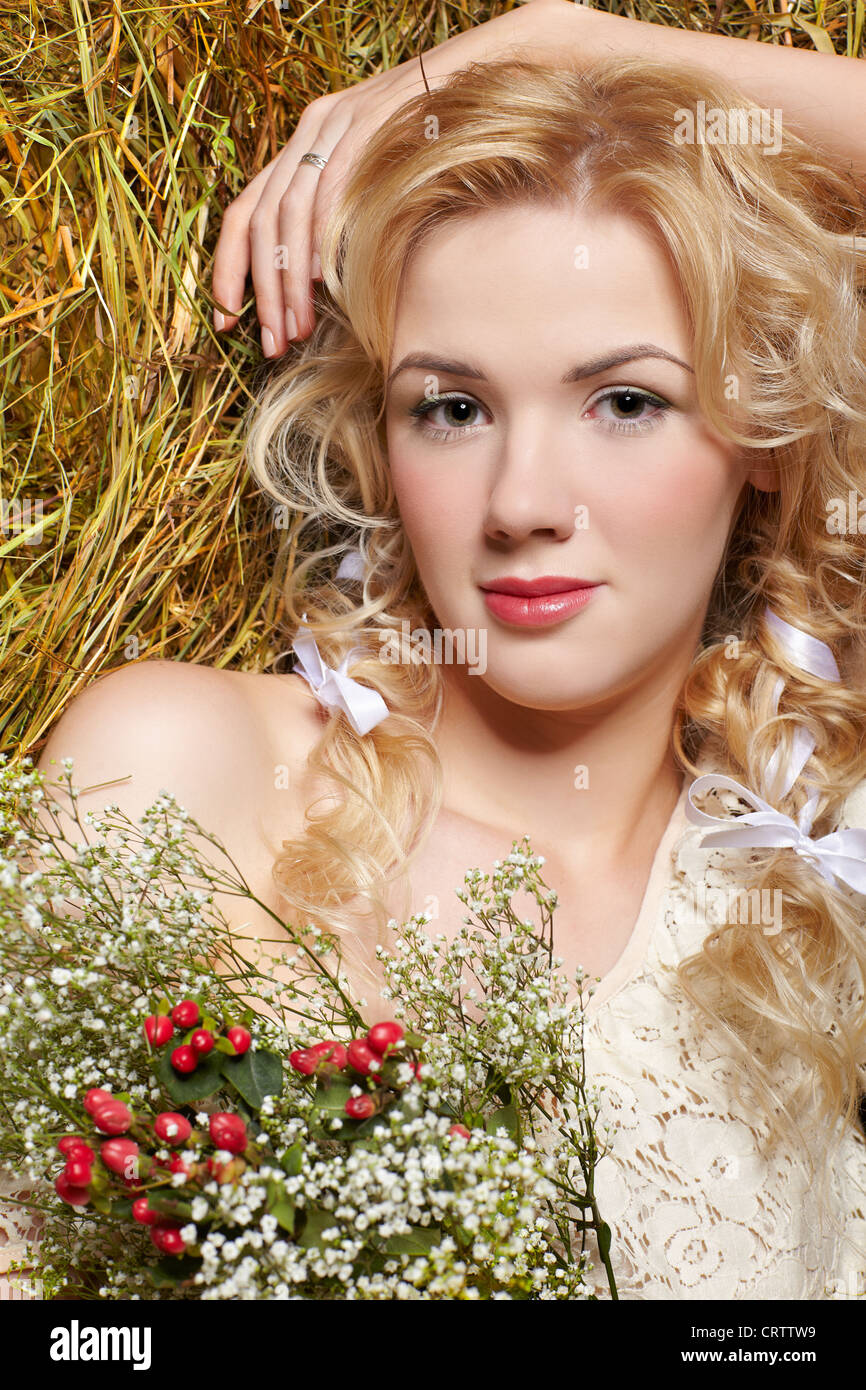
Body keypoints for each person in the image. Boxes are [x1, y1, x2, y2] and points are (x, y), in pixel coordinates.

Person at [8, 26, 866, 1302]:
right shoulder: (185, 774)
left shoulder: (806, 878)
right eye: (450, 409)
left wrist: (566, 37)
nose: (521, 502)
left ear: (762, 434)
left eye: (623, 400)